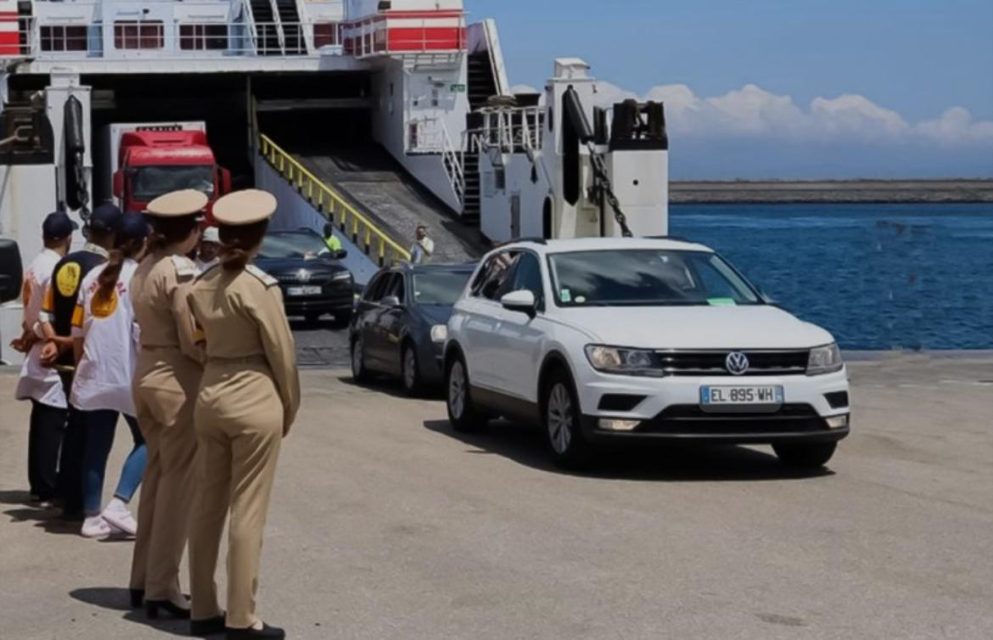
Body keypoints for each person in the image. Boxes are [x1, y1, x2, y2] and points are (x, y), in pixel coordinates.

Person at [187, 189, 300, 640]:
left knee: (206, 505)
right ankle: (241, 617)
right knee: (247, 511)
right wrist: (288, 408)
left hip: (210, 391)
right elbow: (282, 355)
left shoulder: (200, 283)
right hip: (253, 392)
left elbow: (195, 339)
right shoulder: (259, 287)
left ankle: (202, 608)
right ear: (259, 238)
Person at [129, 190, 205, 617]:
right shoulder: (180, 268)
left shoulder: (144, 266)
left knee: (157, 479)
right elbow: (192, 333)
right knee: (179, 485)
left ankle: (143, 579)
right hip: (176, 376)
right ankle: (163, 585)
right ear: (191, 231)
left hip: (145, 371)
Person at [39, 203, 123, 521]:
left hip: (62, 360)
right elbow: (99, 323)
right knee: (92, 433)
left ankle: (65, 493)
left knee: (74, 426)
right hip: (87, 359)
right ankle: (81, 500)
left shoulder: (64, 264)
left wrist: (53, 341)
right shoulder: (104, 270)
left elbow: (46, 312)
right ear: (114, 235)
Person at [70, 214, 149, 539]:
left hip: (93, 370)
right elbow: (141, 333)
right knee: (151, 440)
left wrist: (80, 370)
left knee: (97, 444)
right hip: (128, 372)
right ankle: (118, 503)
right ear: (143, 243)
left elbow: (77, 331)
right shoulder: (139, 278)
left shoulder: (91, 276)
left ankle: (91, 516)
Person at [12, 211, 76, 504]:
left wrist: (29, 334)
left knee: (41, 420)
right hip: (49, 346)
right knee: (52, 421)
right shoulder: (56, 268)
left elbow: (30, 310)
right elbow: (48, 313)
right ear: (67, 238)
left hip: (37, 343)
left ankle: (39, 482)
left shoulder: (36, 264)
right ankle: (48, 484)